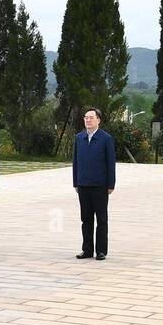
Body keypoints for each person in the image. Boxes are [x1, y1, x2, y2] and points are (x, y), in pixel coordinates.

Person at [72, 107, 116, 260]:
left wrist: (111, 184)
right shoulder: (79, 138)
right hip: (83, 185)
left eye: (91, 117)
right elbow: (75, 162)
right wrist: (75, 182)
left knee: (101, 219)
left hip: (100, 186)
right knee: (86, 219)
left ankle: (101, 250)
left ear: (98, 120)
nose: (88, 120)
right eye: (86, 117)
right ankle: (87, 249)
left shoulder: (106, 139)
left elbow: (111, 163)